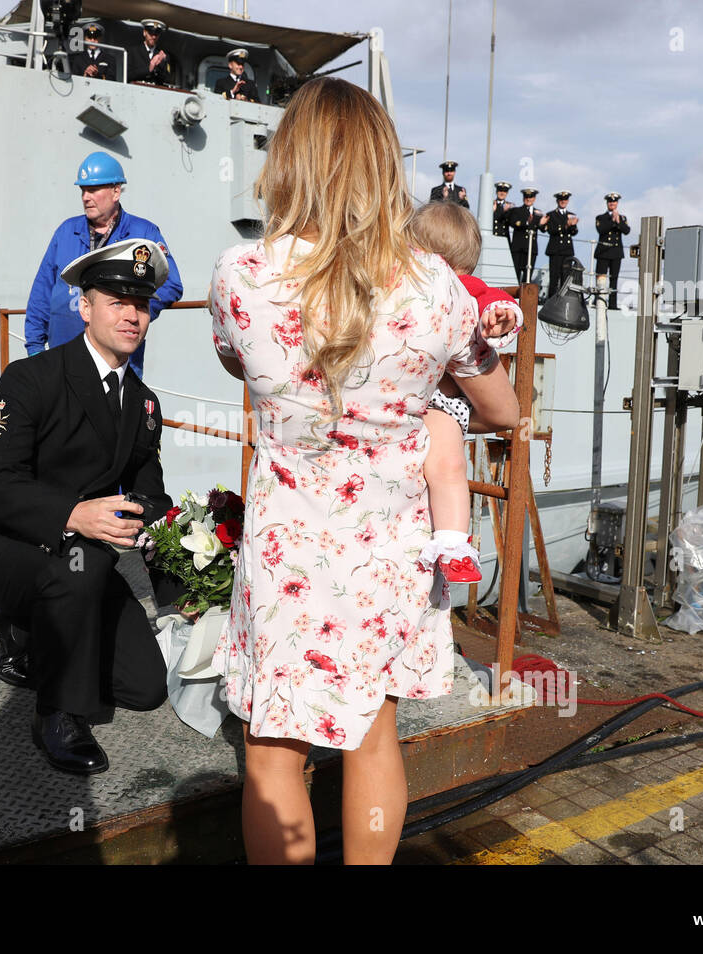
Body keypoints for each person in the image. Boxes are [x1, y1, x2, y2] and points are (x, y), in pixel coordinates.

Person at [208, 77, 519, 864]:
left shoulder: (239, 276)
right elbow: (502, 410)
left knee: (274, 748)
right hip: (387, 558)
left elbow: (233, 363)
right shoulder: (438, 289)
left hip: (288, 555)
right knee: (370, 733)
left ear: (288, 162)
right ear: (385, 168)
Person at [0, 238, 175, 776]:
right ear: (84, 307)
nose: (131, 315)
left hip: (84, 560)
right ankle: (56, 712)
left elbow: (152, 492)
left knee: (144, 689)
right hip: (14, 546)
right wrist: (76, 514)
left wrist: (170, 567)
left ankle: (33, 634)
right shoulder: (31, 379)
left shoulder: (143, 403)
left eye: (140, 304)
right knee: (84, 565)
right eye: (116, 301)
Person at [407, 201, 522, 584]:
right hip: (416, 396)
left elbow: (497, 301)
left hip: (438, 400)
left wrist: (505, 316)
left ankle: (453, 545)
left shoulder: (461, 287)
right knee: (446, 469)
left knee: (448, 467)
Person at [25, 152, 182, 377]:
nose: (86, 197)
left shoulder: (144, 233)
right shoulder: (66, 232)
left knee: (116, 412)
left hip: (119, 364)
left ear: (116, 192)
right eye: (83, 190)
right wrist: (35, 348)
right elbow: (41, 291)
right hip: (64, 357)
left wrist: (132, 311)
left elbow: (171, 284)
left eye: (93, 190)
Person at [594, 192, 630, 309]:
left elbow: (626, 231)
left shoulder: (622, 218)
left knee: (614, 278)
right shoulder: (601, 217)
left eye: (614, 202)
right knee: (600, 278)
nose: (612, 203)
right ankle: (598, 301)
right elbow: (601, 229)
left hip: (616, 252)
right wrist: (612, 220)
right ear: (607, 203)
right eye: (610, 202)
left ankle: (613, 304)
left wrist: (618, 221)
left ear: (617, 203)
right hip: (603, 252)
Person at [540, 190, 578, 295]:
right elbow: (551, 230)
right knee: (554, 277)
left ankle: (563, 300)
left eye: (565, 199)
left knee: (565, 278)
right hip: (555, 250)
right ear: (557, 200)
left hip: (567, 250)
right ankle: (551, 299)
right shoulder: (551, 215)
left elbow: (574, 232)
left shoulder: (571, 215)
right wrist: (566, 225)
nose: (563, 201)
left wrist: (573, 225)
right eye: (561, 199)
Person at [506, 187, 541, 284]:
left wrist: (541, 223)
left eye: (531, 197)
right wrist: (526, 222)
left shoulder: (538, 213)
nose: (528, 199)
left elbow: (543, 228)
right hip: (518, 248)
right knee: (515, 275)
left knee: (527, 277)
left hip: (531, 249)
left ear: (534, 199)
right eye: (526, 197)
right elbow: (514, 223)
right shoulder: (517, 211)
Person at [131, 19, 177, 86]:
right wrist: (149, 68)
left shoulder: (163, 56)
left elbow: (167, 80)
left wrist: (161, 63)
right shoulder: (133, 51)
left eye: (156, 34)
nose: (154, 37)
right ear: (144, 33)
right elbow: (127, 74)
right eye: (151, 33)